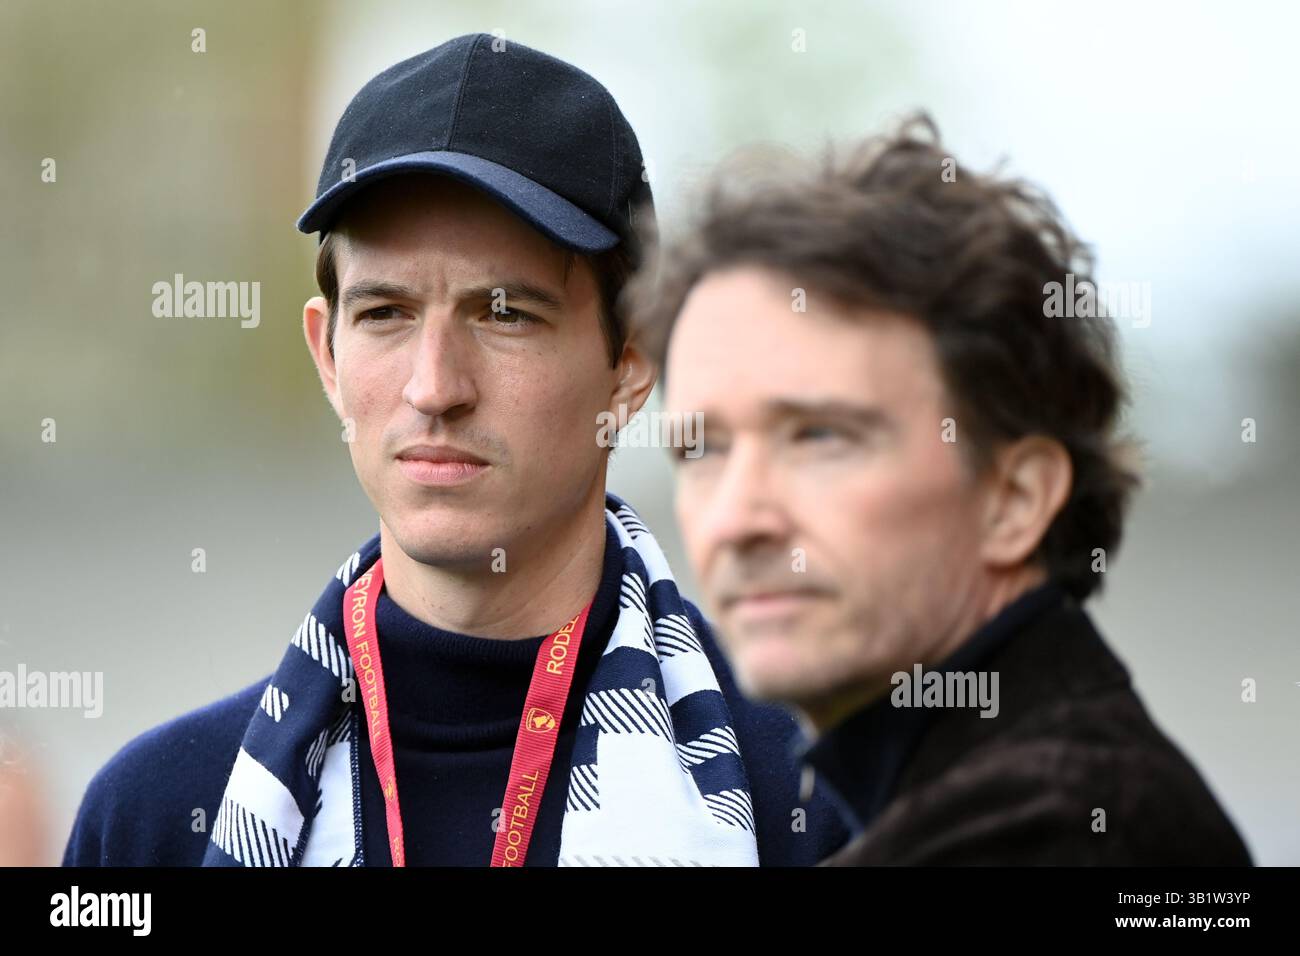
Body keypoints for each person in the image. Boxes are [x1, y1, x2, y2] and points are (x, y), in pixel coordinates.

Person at [62, 34, 849, 867]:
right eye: (386, 313)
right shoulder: (154, 816)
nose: (435, 387)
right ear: (328, 356)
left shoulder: (812, 796)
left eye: (504, 314)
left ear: (630, 364)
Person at [626, 114, 1253, 865]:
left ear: (1014, 500)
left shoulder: (1064, 833)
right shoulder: (970, 805)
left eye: (820, 436)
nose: (736, 519)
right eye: (702, 448)